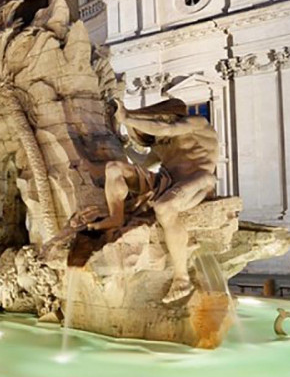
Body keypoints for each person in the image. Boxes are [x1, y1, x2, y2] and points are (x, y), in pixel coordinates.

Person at [88, 98, 218, 304]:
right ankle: (116, 216)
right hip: (167, 181)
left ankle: (182, 277)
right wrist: (118, 139)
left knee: (165, 207)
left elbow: (168, 128)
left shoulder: (196, 123)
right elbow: (142, 162)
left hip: (199, 180)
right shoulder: (162, 144)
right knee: (114, 168)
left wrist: (128, 118)